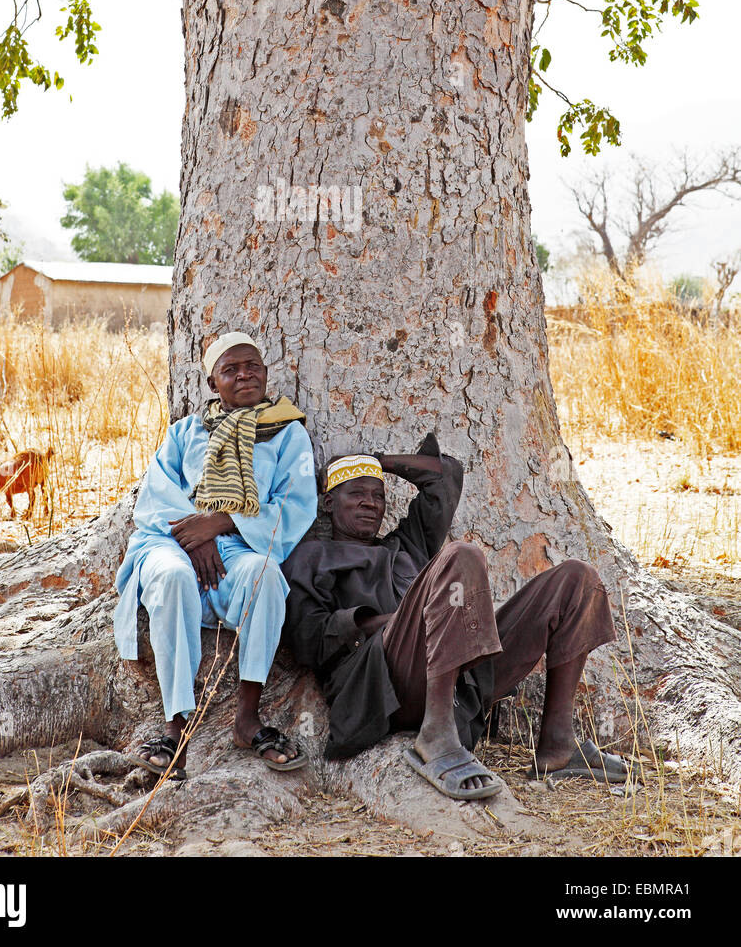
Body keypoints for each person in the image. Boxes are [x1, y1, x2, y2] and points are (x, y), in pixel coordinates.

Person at [282, 436, 633, 801]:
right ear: (328, 502)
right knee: (461, 555)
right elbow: (308, 639)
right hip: (384, 685)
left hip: (461, 679)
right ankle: (435, 735)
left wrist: (375, 460)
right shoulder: (312, 557)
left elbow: (445, 474)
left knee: (577, 579)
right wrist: (393, 621)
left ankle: (558, 745)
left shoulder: (406, 545)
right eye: (356, 493)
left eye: (378, 495)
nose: (370, 502)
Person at [113, 332, 317, 777]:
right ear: (212, 383)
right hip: (173, 542)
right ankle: (175, 730)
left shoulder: (287, 435)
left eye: (253, 367)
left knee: (264, 577)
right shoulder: (185, 434)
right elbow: (155, 500)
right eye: (231, 369)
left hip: (244, 544)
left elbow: (295, 505)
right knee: (171, 578)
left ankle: (247, 718)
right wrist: (198, 535)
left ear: (265, 374)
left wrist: (222, 522)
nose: (245, 375)